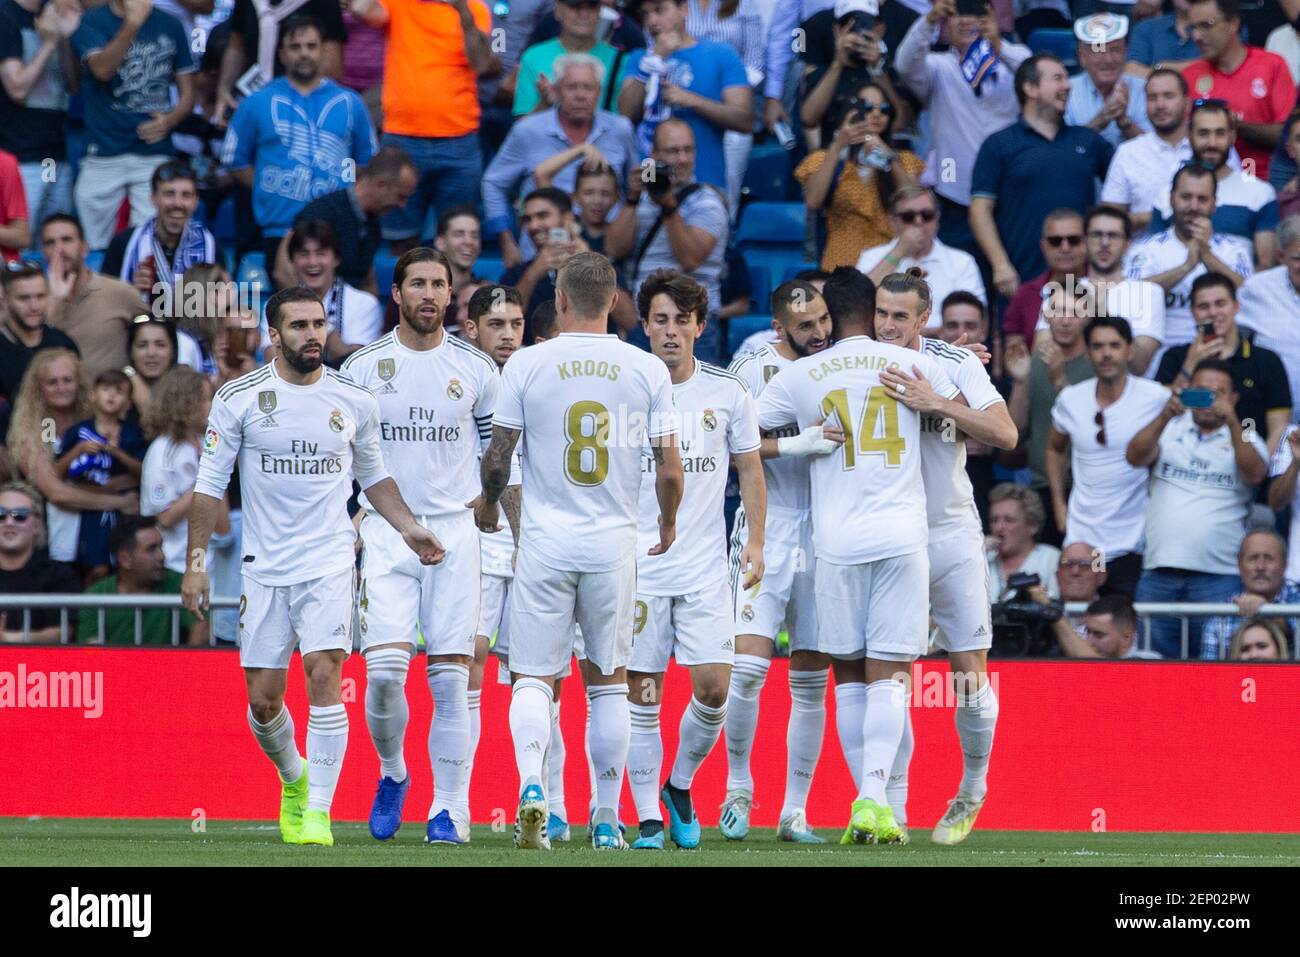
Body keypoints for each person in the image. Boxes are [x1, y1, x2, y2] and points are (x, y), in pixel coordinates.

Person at [182, 285, 445, 848]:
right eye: (298, 326)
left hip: (329, 560)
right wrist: (196, 564)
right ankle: (295, 779)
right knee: (263, 701)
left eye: (319, 323)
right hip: (263, 565)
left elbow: (374, 479)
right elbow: (208, 487)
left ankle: (319, 813)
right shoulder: (239, 398)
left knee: (325, 677)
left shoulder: (354, 400)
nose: (312, 335)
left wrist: (409, 527)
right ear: (274, 336)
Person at [474, 252, 684, 851]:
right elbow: (670, 469)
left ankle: (533, 788)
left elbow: (499, 457)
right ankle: (605, 818)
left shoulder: (527, 364)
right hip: (613, 542)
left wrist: (489, 506)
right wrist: (667, 524)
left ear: (560, 301)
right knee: (609, 682)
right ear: (615, 303)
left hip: (543, 541)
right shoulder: (647, 369)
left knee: (534, 677)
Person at [755, 263, 960, 846]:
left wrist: (799, 442)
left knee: (847, 676)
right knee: (891, 677)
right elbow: (976, 412)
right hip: (903, 537)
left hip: (837, 543)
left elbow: (740, 438)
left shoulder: (802, 376)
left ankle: (866, 802)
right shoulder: (915, 365)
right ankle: (874, 800)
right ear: (872, 311)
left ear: (830, 311)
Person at [340, 248, 500, 846]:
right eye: (418, 284)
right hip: (387, 531)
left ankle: (450, 809)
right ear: (397, 294)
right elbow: (345, 459)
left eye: (439, 284)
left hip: (457, 534)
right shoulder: (361, 368)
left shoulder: (478, 368)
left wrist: (493, 513)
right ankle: (393, 772)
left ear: (452, 295)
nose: (429, 294)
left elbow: (497, 456)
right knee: (383, 675)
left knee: (449, 681)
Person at [871, 270, 1016, 846]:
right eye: (881, 312)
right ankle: (895, 808)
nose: (887, 325)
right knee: (894, 673)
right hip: (889, 537)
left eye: (900, 316)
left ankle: (972, 789)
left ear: (921, 318)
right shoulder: (857, 363)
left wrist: (937, 402)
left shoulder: (957, 365)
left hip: (951, 530)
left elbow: (1004, 433)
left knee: (968, 674)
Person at [623, 269, 765, 851]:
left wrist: (755, 541)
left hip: (705, 568)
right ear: (645, 325)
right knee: (643, 696)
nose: (672, 332)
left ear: (701, 327)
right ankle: (647, 820)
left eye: (683, 321)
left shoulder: (728, 392)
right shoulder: (625, 388)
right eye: (661, 320)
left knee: (713, 689)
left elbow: (751, 470)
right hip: (638, 566)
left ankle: (679, 785)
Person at [721, 279, 842, 845]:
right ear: (778, 329)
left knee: (811, 679)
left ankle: (795, 810)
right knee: (745, 670)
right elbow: (730, 445)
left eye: (823, 321)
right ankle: (738, 791)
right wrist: (797, 444)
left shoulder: (844, 359)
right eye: (805, 327)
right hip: (765, 524)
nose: (819, 334)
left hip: (828, 529)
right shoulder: (752, 365)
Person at [1126, 358, 1266, 656]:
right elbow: (1134, 456)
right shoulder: (1168, 427)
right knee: (1153, 669)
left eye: (1218, 393)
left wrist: (1231, 421)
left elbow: (1255, 474)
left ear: (1233, 398)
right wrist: (1165, 414)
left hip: (1219, 576)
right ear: (1186, 391)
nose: (1209, 399)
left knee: (1216, 668)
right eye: (1201, 391)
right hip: (1159, 572)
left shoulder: (1247, 434)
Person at [220, 16, 377, 269]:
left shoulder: (350, 102)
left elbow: (364, 159)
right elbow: (234, 160)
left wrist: (341, 182)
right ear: (281, 53)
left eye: (311, 46)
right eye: (295, 47)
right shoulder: (257, 102)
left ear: (323, 50)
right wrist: (265, 184)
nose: (304, 53)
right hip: (278, 229)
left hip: (334, 228)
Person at [457, 283, 527, 830]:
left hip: (534, 539)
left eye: (516, 325)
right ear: (472, 327)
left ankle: (545, 800)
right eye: (497, 325)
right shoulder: (459, 382)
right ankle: (461, 797)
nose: (507, 335)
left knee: (535, 673)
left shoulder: (538, 377)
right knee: (472, 658)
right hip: (477, 534)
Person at [347, 0, 497, 250]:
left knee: (458, 239)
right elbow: (361, 7)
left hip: (458, 139)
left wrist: (462, 11)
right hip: (403, 137)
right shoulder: (400, 4)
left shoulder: (475, 7)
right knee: (401, 238)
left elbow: (481, 64)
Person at [971, 53, 1114, 300]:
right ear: (1030, 88)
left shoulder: (1090, 142)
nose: (1067, 86)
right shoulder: (999, 145)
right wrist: (1000, 265)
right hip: (1020, 278)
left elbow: (1119, 203)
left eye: (1067, 79)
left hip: (1084, 281)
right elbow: (980, 210)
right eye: (1057, 79)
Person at [1047, 316, 1171, 598]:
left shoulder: (1156, 397)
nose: (1106, 354)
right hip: (1080, 536)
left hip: (1134, 540)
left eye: (1114, 345)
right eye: (1098, 346)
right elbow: (1054, 449)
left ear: (1129, 350)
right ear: (1088, 352)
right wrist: (1058, 504)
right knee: (1080, 626)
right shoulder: (1071, 398)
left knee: (1122, 629)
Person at [894, 0, 1030, 253]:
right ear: (946, 21)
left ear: (990, 14)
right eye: (957, 14)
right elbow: (904, 64)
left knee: (1010, 283)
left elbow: (1035, 78)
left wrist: (998, 45)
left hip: (1009, 196)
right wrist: (929, 20)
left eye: (975, 12)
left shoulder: (1014, 58)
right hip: (954, 196)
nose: (967, 20)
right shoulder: (938, 66)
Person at [485, 54, 639, 268]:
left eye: (588, 88)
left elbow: (637, 182)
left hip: (608, 251)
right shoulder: (528, 130)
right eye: (572, 87)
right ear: (556, 91)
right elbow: (493, 183)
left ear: (599, 93)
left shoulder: (621, 129)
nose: (580, 95)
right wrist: (505, 240)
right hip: (541, 252)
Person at [70, 0, 196, 250]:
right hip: (102, 150)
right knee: (93, 245)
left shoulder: (171, 23)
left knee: (151, 244)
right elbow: (102, 70)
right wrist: (133, 24)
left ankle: (143, 289)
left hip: (153, 150)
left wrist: (170, 120)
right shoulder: (92, 21)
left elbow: (189, 94)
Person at [605, 120, 730, 358]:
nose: (682, 159)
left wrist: (669, 208)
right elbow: (613, 249)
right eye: (673, 151)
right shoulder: (639, 198)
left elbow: (690, 258)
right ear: (654, 155)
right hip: (646, 321)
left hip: (693, 321)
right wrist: (631, 199)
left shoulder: (708, 201)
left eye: (688, 150)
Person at [4, 349, 140, 565]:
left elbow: (127, 476)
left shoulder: (93, 417)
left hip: (103, 529)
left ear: (80, 383)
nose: (61, 388)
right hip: (55, 533)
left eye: (68, 380)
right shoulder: (36, 427)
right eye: (52, 382)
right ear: (39, 388)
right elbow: (56, 491)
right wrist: (118, 501)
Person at [617, 0, 752, 192]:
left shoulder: (721, 54)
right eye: (645, 14)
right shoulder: (639, 59)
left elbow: (745, 120)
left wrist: (690, 100)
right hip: (650, 180)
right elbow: (626, 114)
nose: (652, 21)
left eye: (659, 10)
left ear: (684, 9)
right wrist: (654, 59)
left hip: (705, 183)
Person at [1156, 271, 1291, 455]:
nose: (1213, 313)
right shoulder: (1175, 357)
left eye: (1220, 304)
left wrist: (1259, 469)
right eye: (1203, 306)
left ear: (1236, 306)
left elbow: (1279, 427)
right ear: (1193, 313)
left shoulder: (1266, 361)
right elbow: (1163, 412)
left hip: (1247, 463)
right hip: (1185, 463)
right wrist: (1190, 364)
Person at [796, 82, 924, 270]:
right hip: (840, 262)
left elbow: (915, 203)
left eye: (884, 108)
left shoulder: (903, 160)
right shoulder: (824, 158)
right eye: (867, 107)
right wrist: (837, 146)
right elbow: (813, 202)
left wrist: (889, 158)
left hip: (890, 260)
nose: (876, 113)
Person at [1125, 163, 1253, 350]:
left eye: (1202, 199)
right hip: (1162, 357)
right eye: (1186, 197)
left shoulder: (1235, 250)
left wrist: (1207, 256)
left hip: (1223, 356)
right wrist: (1186, 266)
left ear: (1214, 203)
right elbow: (1130, 296)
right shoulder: (1145, 250)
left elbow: (1250, 296)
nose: (1193, 206)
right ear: (1171, 199)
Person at [1006, 283, 1095, 546]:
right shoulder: (1033, 363)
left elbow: (1088, 427)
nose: (1066, 320)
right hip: (1039, 486)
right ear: (1046, 315)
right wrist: (1021, 382)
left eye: (1074, 312)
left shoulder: (1098, 365)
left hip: (1087, 487)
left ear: (1088, 315)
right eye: (1059, 310)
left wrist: (1059, 379)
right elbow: (1014, 432)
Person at [1149, 99, 1279, 267]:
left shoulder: (1261, 194)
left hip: (1238, 291)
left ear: (1232, 136)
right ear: (1189, 136)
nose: (1212, 143)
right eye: (1203, 133)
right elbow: (1153, 261)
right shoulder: (1166, 195)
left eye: (1220, 133)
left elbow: (1265, 267)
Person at [273, 147, 420, 293]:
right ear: (381, 185)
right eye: (401, 197)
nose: (402, 205)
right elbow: (283, 272)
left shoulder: (373, 224)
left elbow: (368, 282)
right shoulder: (321, 213)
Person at [1181, 0, 1295, 180]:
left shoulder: (1271, 65)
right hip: (1205, 187)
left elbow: (1289, 135)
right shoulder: (1190, 75)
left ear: (1233, 23)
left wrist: (1235, 125)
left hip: (1266, 182)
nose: (1196, 36)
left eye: (1205, 25)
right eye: (1192, 28)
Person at [56, 369, 147, 580]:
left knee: (125, 567)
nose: (112, 395)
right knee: (95, 568)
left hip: (126, 511)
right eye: (106, 389)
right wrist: (78, 451)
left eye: (119, 391)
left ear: (128, 401)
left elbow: (144, 472)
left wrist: (116, 452)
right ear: (92, 395)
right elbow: (58, 473)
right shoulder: (77, 432)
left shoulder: (134, 433)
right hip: (89, 511)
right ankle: (89, 611)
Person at [140, 365, 230, 576]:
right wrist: (205, 482)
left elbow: (223, 527)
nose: (211, 406)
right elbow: (164, 517)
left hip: (211, 565)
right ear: (186, 404)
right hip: (175, 565)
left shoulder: (206, 443)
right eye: (206, 399)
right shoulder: (162, 451)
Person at [1054, 206, 1166, 374]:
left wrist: (1100, 313)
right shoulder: (1064, 288)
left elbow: (1139, 365)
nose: (1104, 243)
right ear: (1084, 242)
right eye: (1097, 234)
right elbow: (1045, 354)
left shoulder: (1149, 292)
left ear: (1127, 244)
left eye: (1113, 235)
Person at [0, 0, 79, 233]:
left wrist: (65, 37)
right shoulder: (6, 15)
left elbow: (74, 84)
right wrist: (50, 42)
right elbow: (17, 88)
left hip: (54, 158)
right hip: (20, 158)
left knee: (55, 240)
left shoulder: (53, 13)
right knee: (22, 245)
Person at [856, 187, 985, 329]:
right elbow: (858, 303)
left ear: (937, 218)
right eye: (908, 217)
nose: (918, 222)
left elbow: (974, 317)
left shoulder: (962, 261)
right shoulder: (871, 257)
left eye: (927, 215)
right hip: (889, 343)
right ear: (893, 221)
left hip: (946, 344)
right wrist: (899, 251)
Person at [42, 216, 148, 384]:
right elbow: (35, 354)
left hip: (111, 402)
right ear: (43, 252)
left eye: (67, 240)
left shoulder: (120, 292)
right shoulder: (34, 299)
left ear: (84, 248)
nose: (59, 249)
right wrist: (55, 301)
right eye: (50, 243)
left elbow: (157, 335)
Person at [100, 161, 219, 309]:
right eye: (169, 194)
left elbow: (221, 307)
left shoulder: (210, 245)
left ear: (196, 201)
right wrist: (130, 291)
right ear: (153, 198)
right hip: (138, 328)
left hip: (191, 331)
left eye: (186, 195)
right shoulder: (123, 243)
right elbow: (104, 304)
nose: (178, 203)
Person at [214, 0, 348, 124]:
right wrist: (224, 91)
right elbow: (236, 47)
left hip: (305, 108)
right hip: (254, 100)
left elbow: (332, 65)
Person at [79, 516, 205, 645]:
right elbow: (91, 649)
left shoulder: (180, 583)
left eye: (161, 547)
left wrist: (185, 664)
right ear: (125, 559)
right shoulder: (97, 594)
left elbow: (201, 628)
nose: (161, 556)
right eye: (151, 549)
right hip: (115, 665)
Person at [797, 0, 902, 151]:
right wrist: (838, 63)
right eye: (850, 27)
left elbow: (900, 123)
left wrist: (877, 68)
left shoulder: (888, 72)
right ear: (836, 30)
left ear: (879, 30)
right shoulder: (822, 73)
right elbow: (808, 119)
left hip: (877, 162)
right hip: (835, 161)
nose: (858, 34)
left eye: (864, 25)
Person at [274, 219, 383, 362]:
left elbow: (355, 364)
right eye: (304, 254)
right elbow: (272, 359)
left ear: (336, 259)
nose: (312, 262)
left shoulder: (364, 304)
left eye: (320, 254)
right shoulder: (277, 307)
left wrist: (319, 322)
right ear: (292, 261)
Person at [1101, 69, 1193, 234]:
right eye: (1152, 98)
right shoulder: (1128, 153)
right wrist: (1151, 217)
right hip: (1142, 256)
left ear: (1187, 103)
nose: (1160, 105)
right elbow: (1108, 221)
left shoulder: (1209, 148)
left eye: (1168, 96)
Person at [0, 481, 82, 643]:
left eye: (20, 515)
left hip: (41, 667)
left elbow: (64, 632)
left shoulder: (59, 575)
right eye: (1, 514)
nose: (9, 522)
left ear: (37, 525)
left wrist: (9, 639)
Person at [1198, 530, 1300, 660]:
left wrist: (1267, 611)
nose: (1260, 566)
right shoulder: (1220, 617)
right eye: (1253, 558)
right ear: (1239, 565)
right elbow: (1209, 675)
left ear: (1285, 565)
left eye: (1268, 558)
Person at [1237, 214, 1300, 417]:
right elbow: (1234, 337)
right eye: (1298, 258)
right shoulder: (1258, 289)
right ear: (1281, 257)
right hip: (1273, 411)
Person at [514, 0, 621, 116]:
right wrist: (545, 103)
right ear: (558, 11)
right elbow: (521, 128)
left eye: (591, 7)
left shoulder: (620, 60)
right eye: (575, 6)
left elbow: (624, 123)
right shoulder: (533, 57)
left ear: (599, 12)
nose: (584, 14)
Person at [1001, 209, 1086, 352]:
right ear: (1043, 246)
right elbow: (1014, 354)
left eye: (1073, 240)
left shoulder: (1106, 288)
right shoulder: (1025, 294)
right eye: (1055, 241)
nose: (1065, 248)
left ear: (1086, 243)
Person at [498, 188, 586, 323]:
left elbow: (629, 321)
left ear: (568, 218)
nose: (533, 226)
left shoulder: (600, 267)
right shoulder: (514, 275)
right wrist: (533, 274)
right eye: (528, 219)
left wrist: (589, 264)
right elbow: (500, 320)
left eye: (542, 216)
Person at [1065, 14, 1151, 148]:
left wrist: (1124, 122)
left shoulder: (1144, 89)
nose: (1108, 59)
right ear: (1082, 57)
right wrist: (1102, 118)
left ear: (1125, 53)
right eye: (1098, 50)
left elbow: (1157, 150)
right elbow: (1061, 151)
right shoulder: (1066, 90)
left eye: (1115, 50)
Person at [0, 261, 79, 402]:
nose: (34, 306)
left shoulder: (63, 343)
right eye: (24, 298)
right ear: (5, 300)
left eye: (40, 296)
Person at [986, 482, 1061, 600]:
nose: (999, 527)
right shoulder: (983, 559)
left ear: (1032, 526)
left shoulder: (1050, 558)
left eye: (1008, 520)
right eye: (994, 520)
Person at [1057, 594, 1160, 658]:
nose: (1089, 641)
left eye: (1099, 635)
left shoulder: (1151, 666)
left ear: (1126, 637)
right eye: (1088, 632)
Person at [124, 316, 179, 417]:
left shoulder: (188, 390)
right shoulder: (118, 388)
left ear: (173, 351)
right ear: (130, 351)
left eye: (160, 345)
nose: (151, 353)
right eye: (142, 345)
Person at [1127, 0, 1200, 75]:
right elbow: (1132, 70)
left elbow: (1210, 66)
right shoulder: (1146, 28)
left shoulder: (1211, 29)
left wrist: (1161, 67)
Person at [434, 206, 485, 303]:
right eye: (459, 234)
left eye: (474, 235)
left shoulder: (490, 294)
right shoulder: (426, 294)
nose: (469, 241)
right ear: (441, 242)